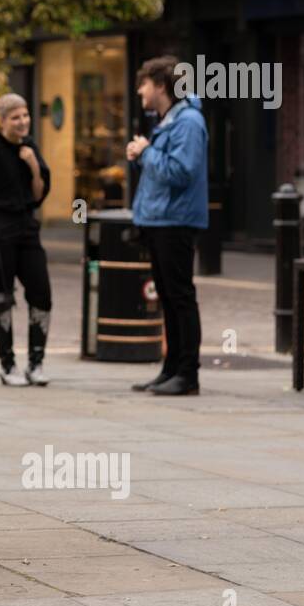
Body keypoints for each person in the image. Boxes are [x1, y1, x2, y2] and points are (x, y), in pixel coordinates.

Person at [126, 56, 208, 396]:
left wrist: (146, 153)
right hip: (160, 220)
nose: (139, 90)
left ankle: (187, 374)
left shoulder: (188, 122)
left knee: (180, 297)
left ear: (161, 85)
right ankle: (170, 369)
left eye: (144, 83)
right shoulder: (168, 122)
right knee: (169, 298)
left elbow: (181, 171)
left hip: (176, 221)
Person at [0, 93, 53, 386]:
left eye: (25, 115)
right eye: (15, 117)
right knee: (2, 295)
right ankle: (8, 365)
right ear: (2, 121)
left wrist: (33, 165)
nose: (23, 122)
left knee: (41, 292)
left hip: (27, 226)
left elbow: (39, 194)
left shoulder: (31, 148)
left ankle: (36, 363)